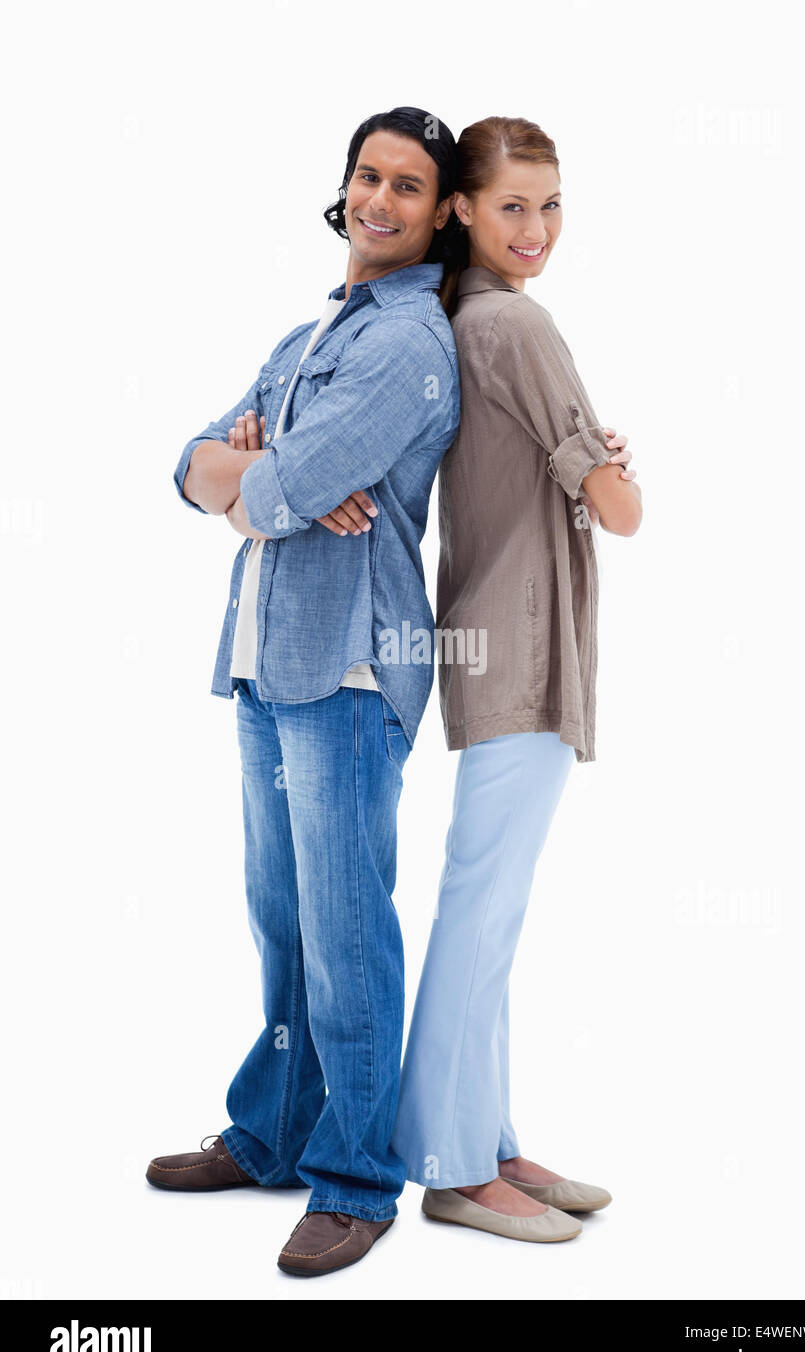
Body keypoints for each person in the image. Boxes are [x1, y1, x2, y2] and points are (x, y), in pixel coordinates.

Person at [147, 107, 461, 1277]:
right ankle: (274, 1130)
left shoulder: (407, 343)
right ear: (345, 188)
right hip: (266, 657)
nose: (382, 199)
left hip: (346, 669)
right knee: (280, 921)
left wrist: (258, 477)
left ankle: (354, 1178)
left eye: (410, 185)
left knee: (344, 935)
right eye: (369, 175)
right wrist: (246, 474)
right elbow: (189, 465)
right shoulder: (307, 332)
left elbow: (279, 493)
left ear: (439, 212)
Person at [391, 115, 643, 1243]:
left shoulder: (459, 317)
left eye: (550, 205)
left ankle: (486, 1137)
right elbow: (622, 511)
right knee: (478, 912)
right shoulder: (517, 325)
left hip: (488, 636)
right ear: (461, 210)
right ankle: (448, 1163)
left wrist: (583, 460)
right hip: (522, 647)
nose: (534, 228)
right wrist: (604, 462)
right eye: (510, 205)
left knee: (487, 908)